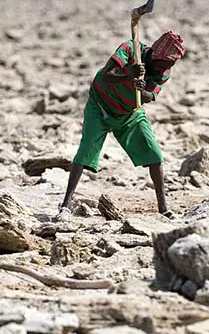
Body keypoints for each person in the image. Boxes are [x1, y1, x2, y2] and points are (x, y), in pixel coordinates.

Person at [57, 31, 185, 220]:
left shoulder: (164, 72)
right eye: (164, 63)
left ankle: (163, 208)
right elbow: (107, 75)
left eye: (170, 64)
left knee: (155, 155)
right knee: (86, 151)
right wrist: (128, 75)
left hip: (130, 113)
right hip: (100, 106)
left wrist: (142, 88)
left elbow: (150, 97)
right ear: (156, 56)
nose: (166, 67)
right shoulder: (129, 49)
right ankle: (65, 205)